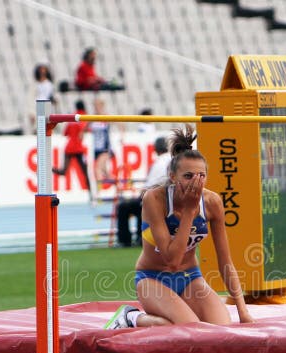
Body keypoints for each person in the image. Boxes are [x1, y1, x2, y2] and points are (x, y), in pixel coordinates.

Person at [105, 126, 254, 328]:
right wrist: (189, 213)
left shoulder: (212, 202)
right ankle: (131, 317)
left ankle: (170, 315)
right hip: (153, 278)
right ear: (173, 176)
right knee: (189, 329)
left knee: (221, 330)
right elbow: (172, 261)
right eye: (188, 176)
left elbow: (225, 261)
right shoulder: (155, 199)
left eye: (201, 176)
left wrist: (243, 311)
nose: (196, 182)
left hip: (190, 277)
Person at [116, 136, 171, 247]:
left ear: (155, 149)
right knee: (139, 204)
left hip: (154, 199)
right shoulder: (172, 160)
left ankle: (125, 240)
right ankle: (139, 237)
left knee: (124, 206)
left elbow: (149, 187)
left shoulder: (158, 163)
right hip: (167, 200)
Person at [52, 100, 94, 205]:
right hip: (79, 149)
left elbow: (65, 133)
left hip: (69, 148)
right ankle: (91, 197)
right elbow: (84, 131)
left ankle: (48, 169)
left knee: (63, 171)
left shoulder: (72, 117)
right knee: (85, 173)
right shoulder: (84, 117)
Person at [27, 63, 56, 133]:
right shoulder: (35, 85)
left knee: (48, 128)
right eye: (41, 70)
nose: (42, 72)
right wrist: (32, 113)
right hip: (38, 106)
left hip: (48, 106)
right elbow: (30, 99)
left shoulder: (50, 84)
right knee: (38, 128)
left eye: (44, 70)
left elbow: (53, 96)